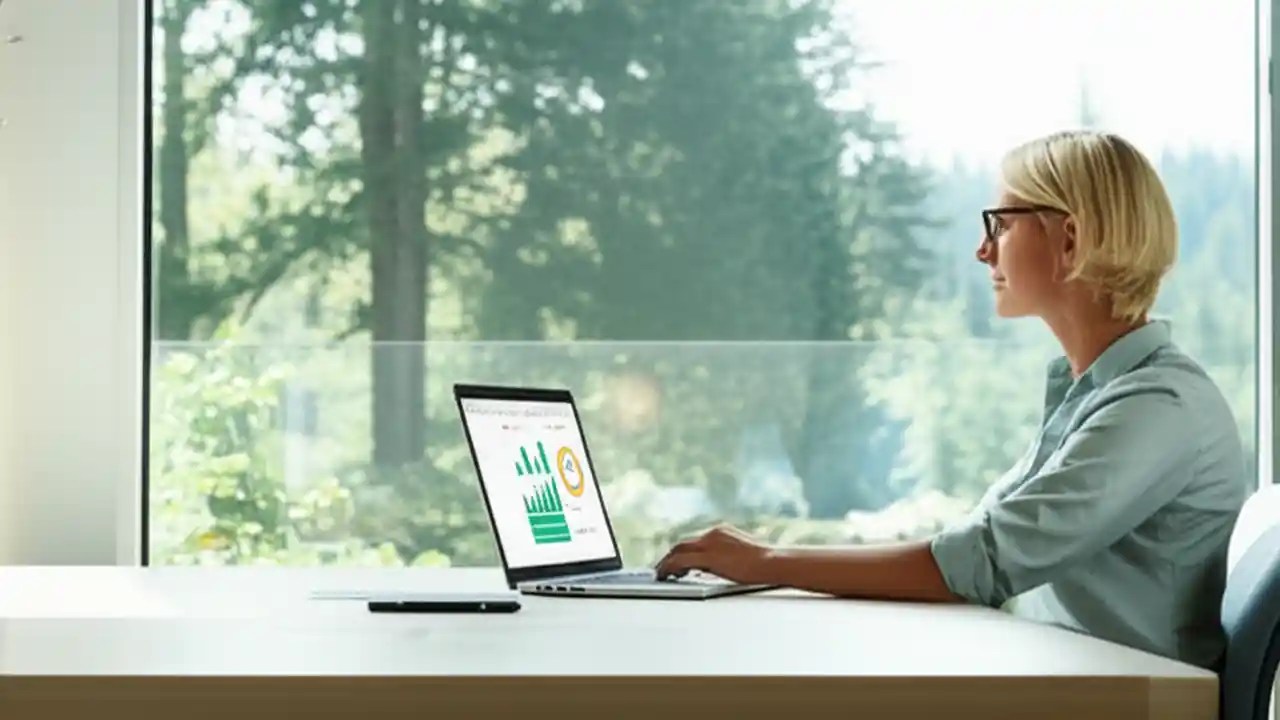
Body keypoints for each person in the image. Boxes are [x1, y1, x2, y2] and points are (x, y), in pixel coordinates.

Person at [655, 130, 1249, 669]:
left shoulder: (1157, 406)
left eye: (1001, 223)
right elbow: (975, 546)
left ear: (1069, 239)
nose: (983, 251)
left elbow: (982, 561)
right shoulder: (1095, 394)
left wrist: (769, 563)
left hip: (1129, 703)